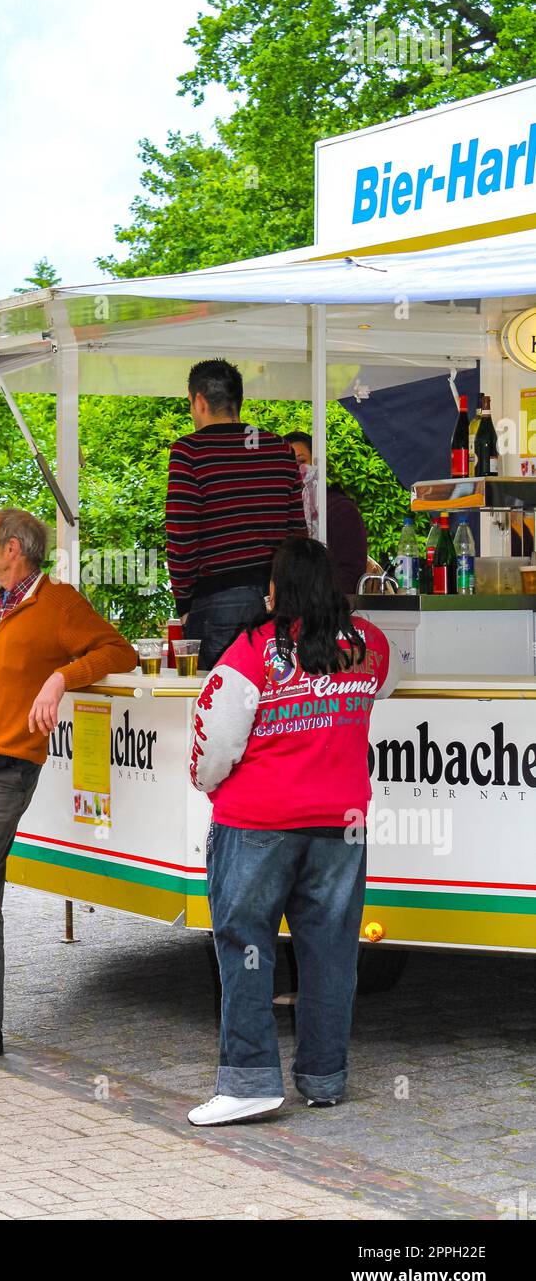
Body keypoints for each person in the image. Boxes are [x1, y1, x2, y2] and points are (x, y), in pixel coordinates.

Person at [186, 537, 401, 1126]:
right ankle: (325, 1079)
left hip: (257, 821)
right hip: (341, 823)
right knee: (331, 952)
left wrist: (208, 785)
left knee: (247, 944)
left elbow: (216, 740)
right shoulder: (370, 645)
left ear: (277, 589)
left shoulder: (253, 649)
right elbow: (381, 688)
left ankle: (250, 1082)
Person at [0, 508, 136, 1064]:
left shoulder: (59, 603)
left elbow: (118, 651)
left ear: (14, 548)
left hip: (3, 771)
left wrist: (60, 677)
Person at [166, 359, 306, 671]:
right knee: (274, 699)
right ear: (238, 401)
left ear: (199, 401)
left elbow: (181, 536)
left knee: (222, 705)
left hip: (218, 601)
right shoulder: (278, 448)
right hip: (279, 600)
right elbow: (298, 531)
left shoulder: (189, 451)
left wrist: (184, 604)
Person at [283, 431, 368, 595]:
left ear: (319, 465)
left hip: (328, 608)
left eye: (301, 461)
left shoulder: (341, 510)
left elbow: (352, 574)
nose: (295, 470)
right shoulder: (279, 510)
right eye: (287, 465)